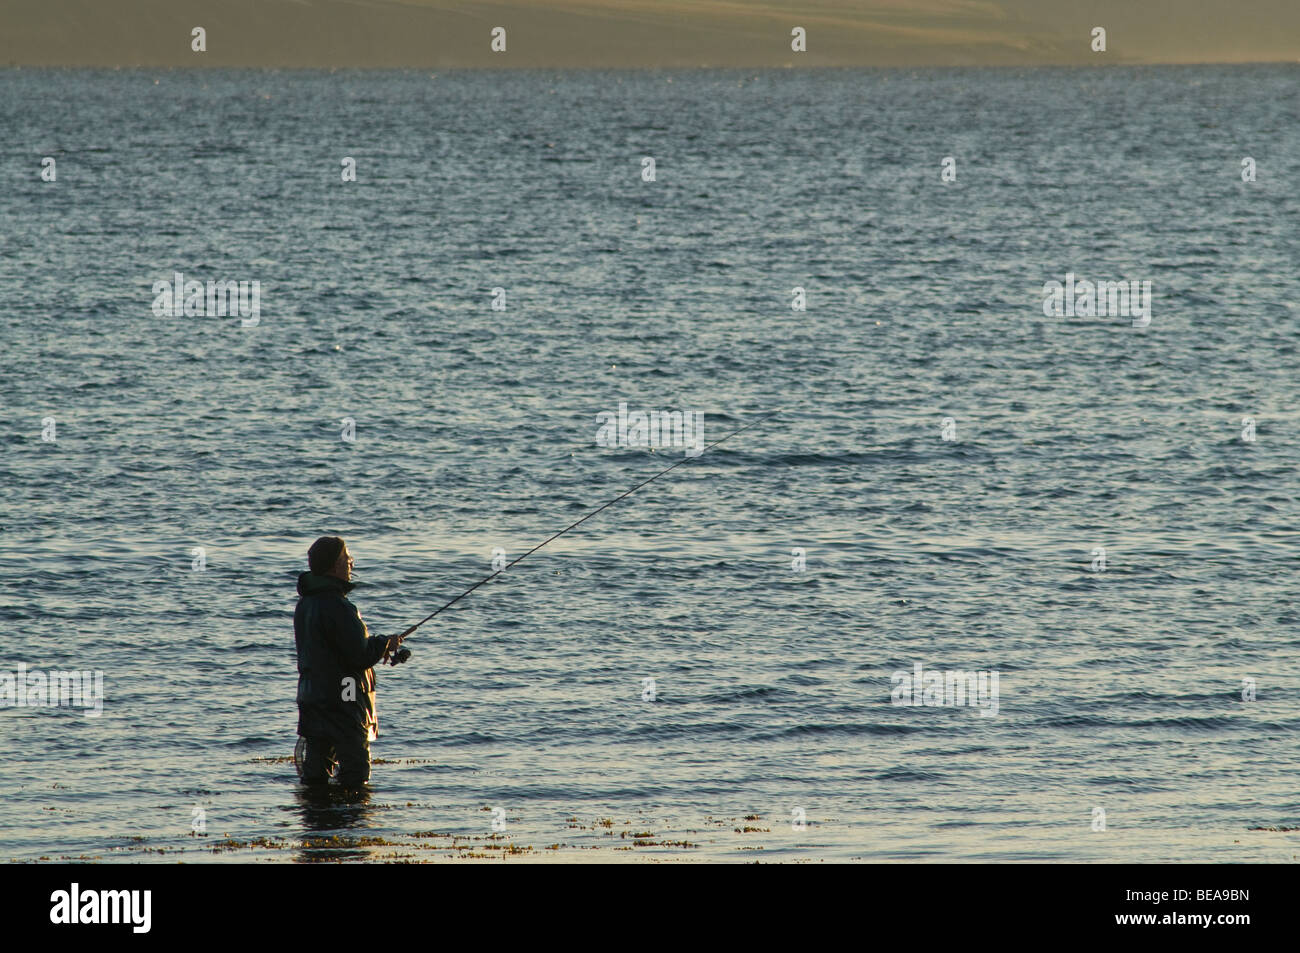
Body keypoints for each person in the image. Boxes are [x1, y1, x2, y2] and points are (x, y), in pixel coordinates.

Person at [294, 536, 405, 787]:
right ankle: (351, 823)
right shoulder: (339, 606)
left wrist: (379, 645)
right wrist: (383, 643)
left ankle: (315, 819)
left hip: (312, 695)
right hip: (344, 696)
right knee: (355, 771)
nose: (351, 563)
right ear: (334, 565)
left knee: (316, 769)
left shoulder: (305, 605)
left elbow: (334, 651)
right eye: (346, 558)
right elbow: (359, 656)